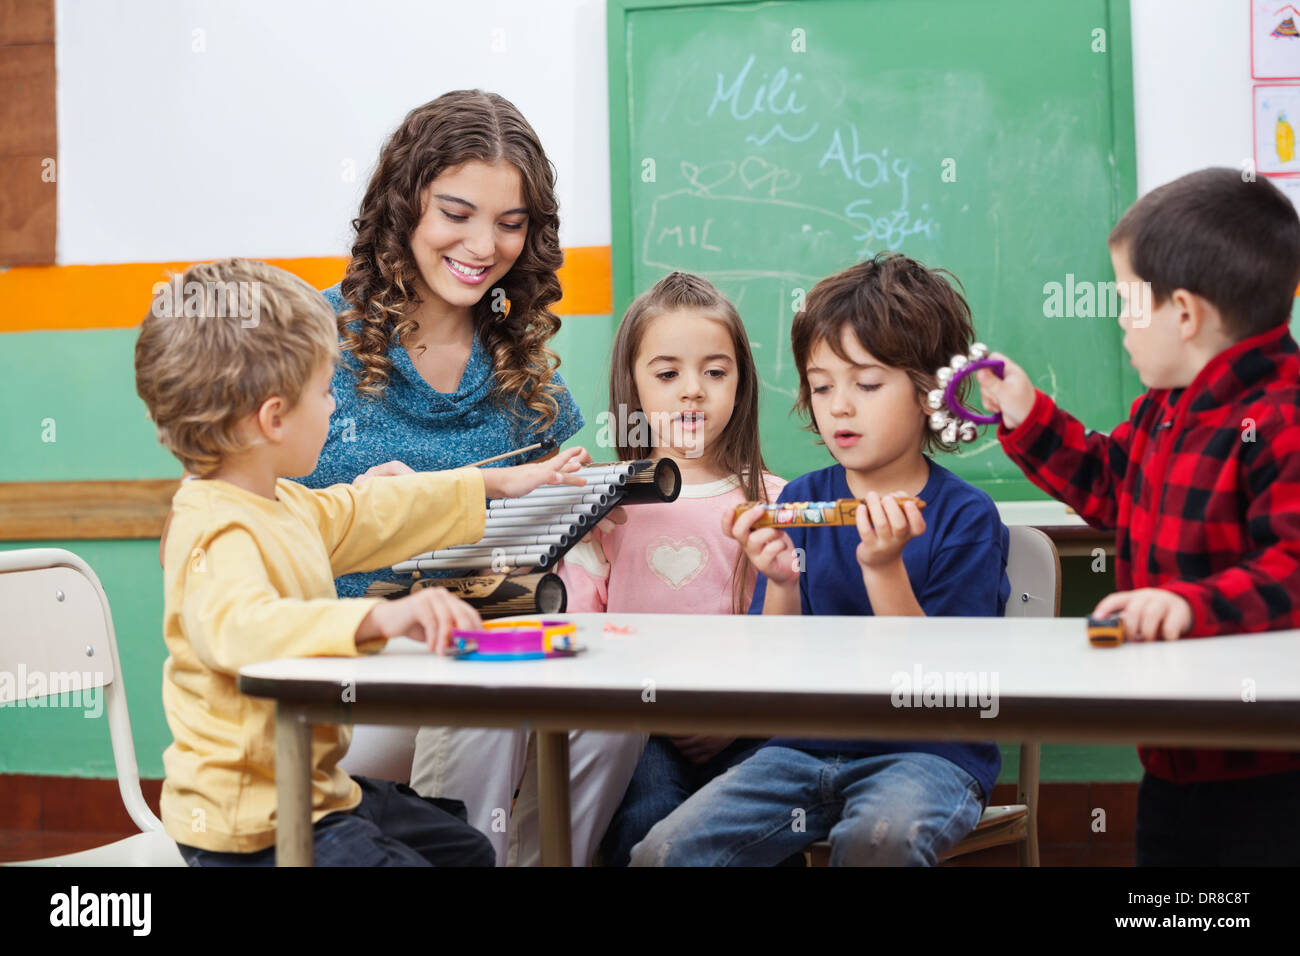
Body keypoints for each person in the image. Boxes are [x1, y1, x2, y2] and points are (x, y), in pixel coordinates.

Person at [136, 257, 588, 866]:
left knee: (467, 850)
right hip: (256, 825)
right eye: (324, 391)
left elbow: (367, 511)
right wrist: (377, 621)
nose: (332, 406)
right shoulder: (216, 529)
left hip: (318, 791)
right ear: (273, 418)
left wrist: (494, 485)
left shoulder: (281, 502)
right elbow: (246, 629)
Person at [296, 90, 639, 865]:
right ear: (404, 206)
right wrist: (355, 511)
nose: (484, 245)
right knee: (493, 689)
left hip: (473, 659)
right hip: (336, 675)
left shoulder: (528, 380)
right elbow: (228, 525)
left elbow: (532, 563)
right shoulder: (311, 340)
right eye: (457, 212)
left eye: (511, 223)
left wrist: (583, 526)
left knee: (615, 703)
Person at [631, 253, 1010, 866]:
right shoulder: (803, 499)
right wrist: (780, 580)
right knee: (662, 852)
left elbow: (938, 685)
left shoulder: (965, 519)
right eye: (821, 384)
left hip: (926, 753)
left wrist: (884, 569)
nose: (838, 406)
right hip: (800, 751)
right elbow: (773, 669)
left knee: (876, 844)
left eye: (865, 384)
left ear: (928, 393)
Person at [977, 168, 1300, 866]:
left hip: (1272, 772)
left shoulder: (1281, 419)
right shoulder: (1166, 407)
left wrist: (1189, 607)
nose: (1120, 320)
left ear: (1184, 314)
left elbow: (1293, 571)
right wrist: (1027, 416)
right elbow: (1107, 484)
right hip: (1171, 756)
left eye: (1128, 302)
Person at [555, 272, 785, 865]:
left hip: (749, 720)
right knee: (645, 822)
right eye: (667, 373)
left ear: (741, 384)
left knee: (757, 827)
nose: (693, 391)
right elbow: (577, 632)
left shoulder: (775, 503)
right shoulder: (602, 504)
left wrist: (737, 717)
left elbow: (794, 640)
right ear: (632, 384)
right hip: (639, 725)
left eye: (715, 372)